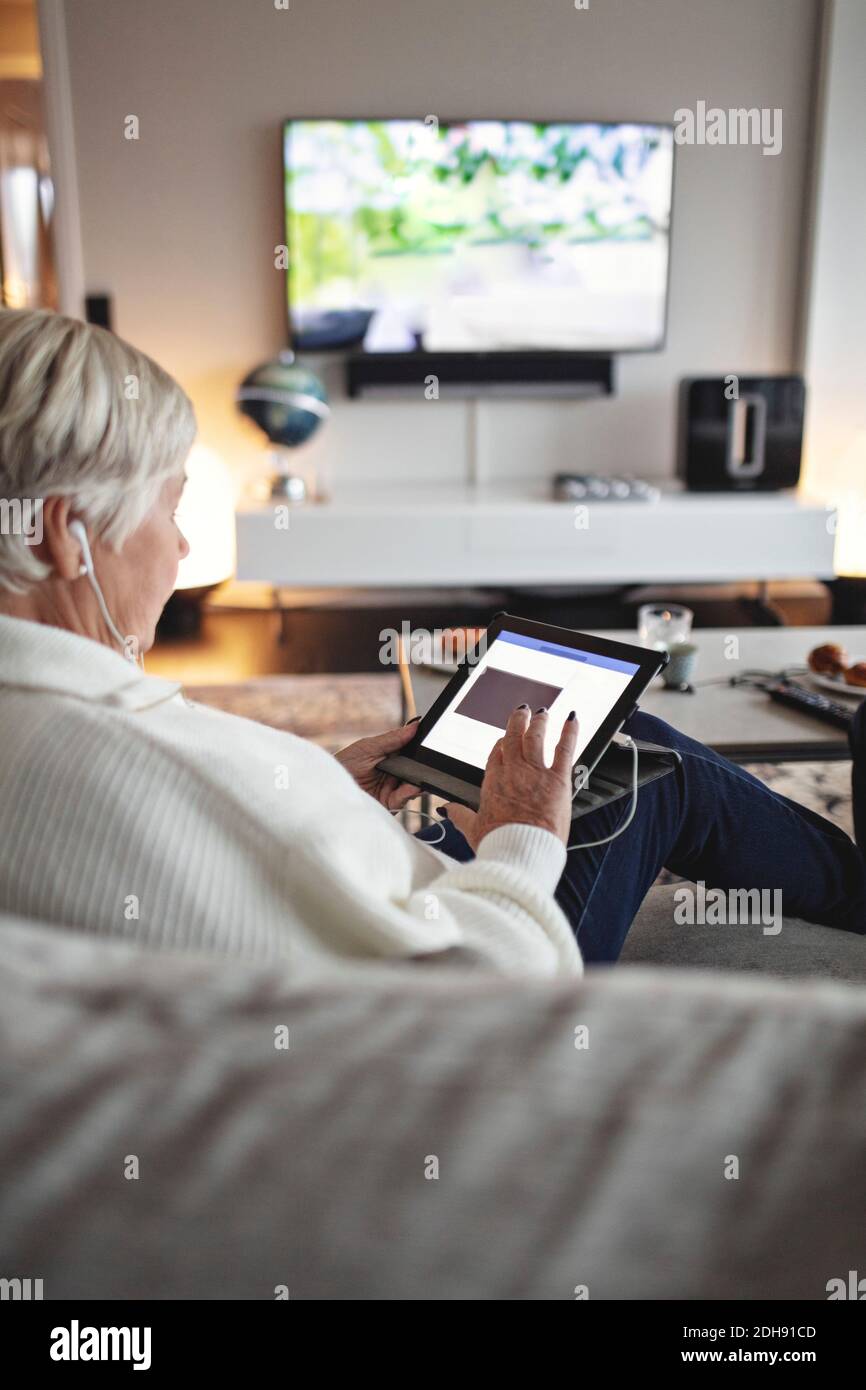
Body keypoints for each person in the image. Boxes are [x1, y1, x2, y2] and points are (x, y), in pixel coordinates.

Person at [0, 308, 863, 984]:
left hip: (391, 895)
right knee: (648, 767)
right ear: (61, 537)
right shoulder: (162, 774)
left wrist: (328, 795)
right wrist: (521, 835)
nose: (184, 549)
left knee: (595, 754)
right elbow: (487, 1001)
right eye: (169, 508)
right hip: (481, 988)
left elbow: (239, 858)